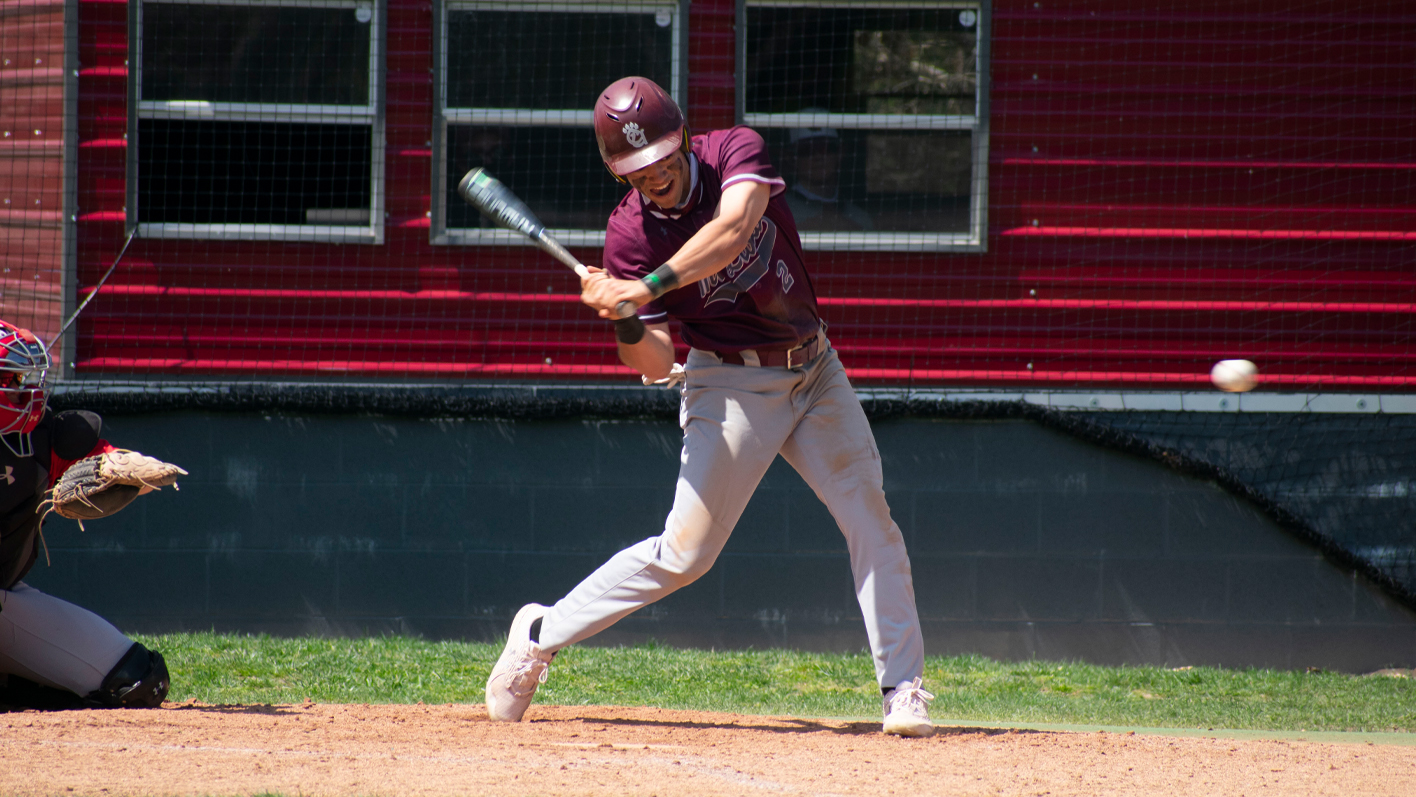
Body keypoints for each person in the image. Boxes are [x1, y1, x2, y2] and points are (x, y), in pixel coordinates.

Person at [484, 76, 934, 737]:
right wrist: (626, 317)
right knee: (685, 555)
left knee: (870, 516)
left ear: (685, 138)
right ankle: (540, 632)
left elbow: (734, 228)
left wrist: (646, 284)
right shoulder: (630, 237)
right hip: (730, 385)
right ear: (618, 171)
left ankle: (903, 687)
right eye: (637, 166)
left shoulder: (735, 152)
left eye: (663, 154)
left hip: (814, 367)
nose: (656, 173)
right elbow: (659, 362)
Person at [0, 321, 174, 710]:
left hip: (5, 598)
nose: (25, 390)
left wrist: (124, 470)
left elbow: (104, 460)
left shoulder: (39, 438)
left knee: (137, 679)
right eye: (10, 379)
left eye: (24, 379)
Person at [782, 113, 873, 232]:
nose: (818, 157)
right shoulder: (780, 211)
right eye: (806, 150)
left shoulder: (860, 217)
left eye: (826, 148)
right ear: (792, 158)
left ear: (840, 153)